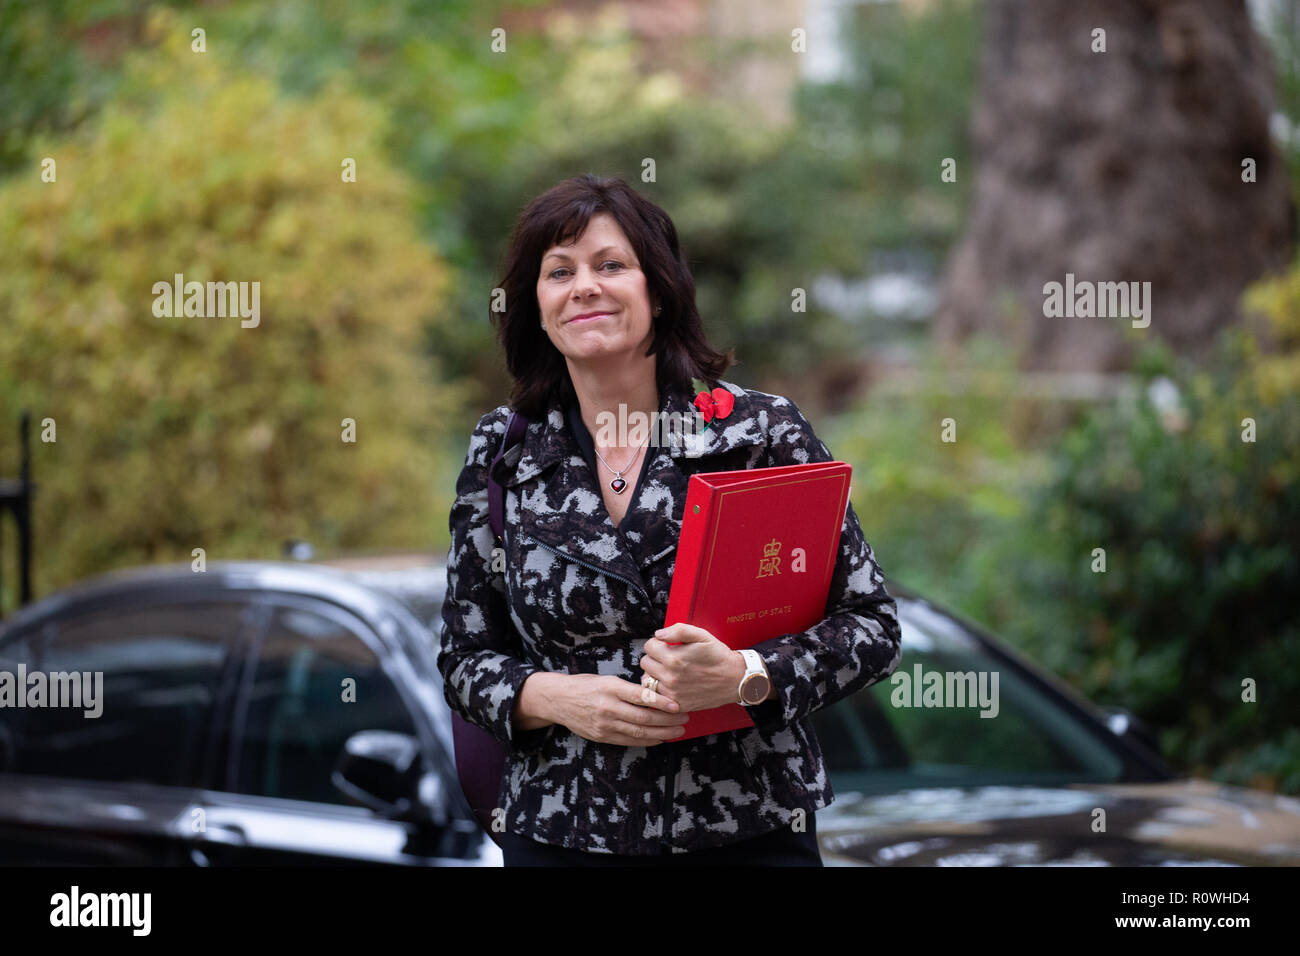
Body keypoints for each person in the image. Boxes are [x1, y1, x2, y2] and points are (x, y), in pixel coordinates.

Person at [437, 173, 903, 865]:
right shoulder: (502, 449)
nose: (584, 287)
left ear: (658, 290)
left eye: (610, 265)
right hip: (563, 833)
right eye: (558, 272)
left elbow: (871, 626)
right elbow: (464, 660)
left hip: (745, 831)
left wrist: (748, 673)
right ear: (537, 306)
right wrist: (557, 697)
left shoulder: (758, 434)